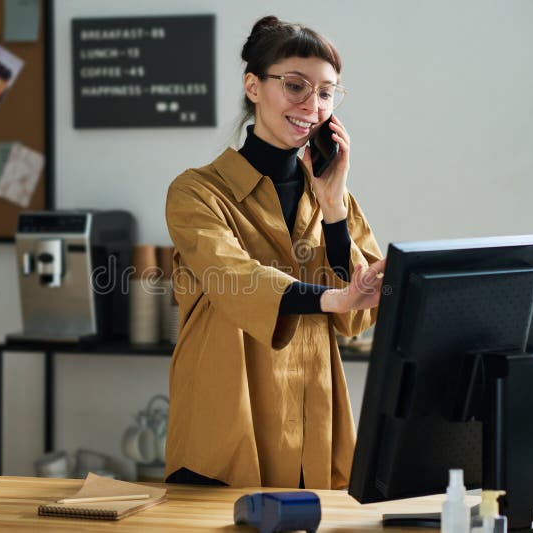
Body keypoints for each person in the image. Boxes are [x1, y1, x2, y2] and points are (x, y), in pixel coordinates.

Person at [164, 15, 385, 490]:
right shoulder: (197, 192)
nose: (312, 104)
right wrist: (331, 299)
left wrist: (333, 210)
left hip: (312, 424)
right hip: (227, 419)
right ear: (253, 86)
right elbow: (234, 276)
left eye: (326, 93)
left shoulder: (332, 195)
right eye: (295, 85)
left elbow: (358, 316)